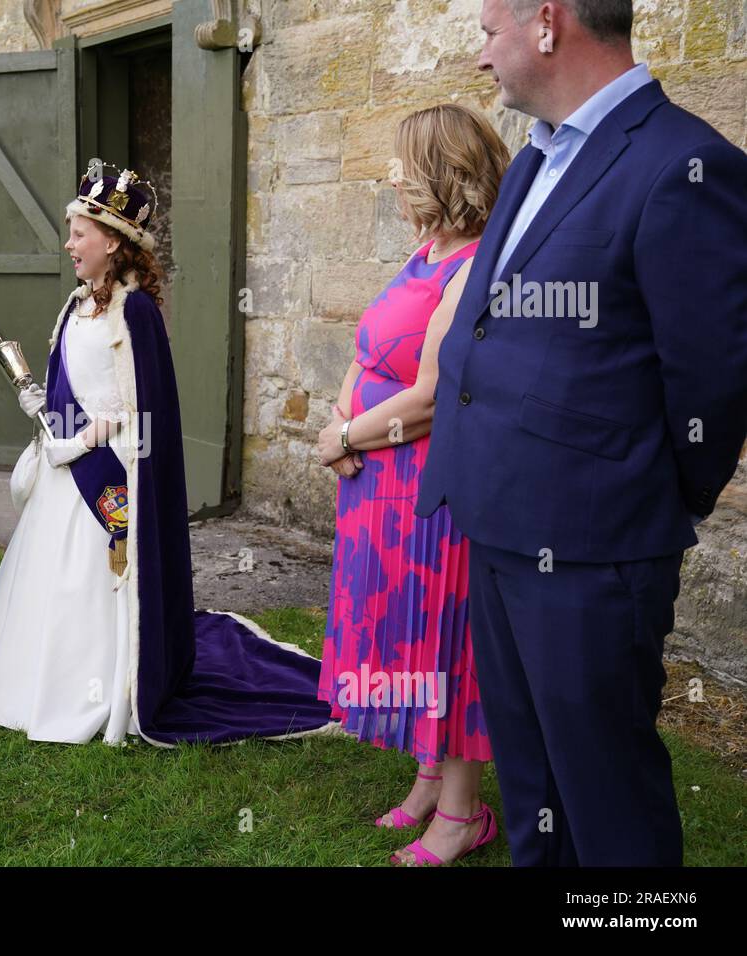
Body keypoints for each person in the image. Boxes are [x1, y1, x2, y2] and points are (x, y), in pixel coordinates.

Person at [418, 0, 747, 865]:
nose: (481, 56)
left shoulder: (686, 164)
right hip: (495, 525)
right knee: (535, 792)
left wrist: (646, 502)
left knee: (608, 804)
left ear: (549, 25)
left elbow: (712, 378)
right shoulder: (536, 161)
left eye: (490, 32)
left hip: (596, 548)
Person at [0, 164, 333, 745]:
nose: (69, 243)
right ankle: (36, 685)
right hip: (66, 484)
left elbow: (149, 415)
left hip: (110, 482)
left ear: (112, 241)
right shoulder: (73, 306)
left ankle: (110, 689)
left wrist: (101, 446)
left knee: (95, 595)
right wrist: (63, 437)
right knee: (48, 589)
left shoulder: (135, 314)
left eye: (79, 232)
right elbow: (63, 391)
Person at [316, 104, 509, 866]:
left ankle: (463, 814)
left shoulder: (476, 268)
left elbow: (433, 396)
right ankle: (428, 775)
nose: (393, 179)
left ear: (445, 172)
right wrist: (337, 417)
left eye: (404, 165)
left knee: (444, 640)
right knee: (403, 635)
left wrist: (348, 435)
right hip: (375, 486)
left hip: (429, 493)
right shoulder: (426, 250)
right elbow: (368, 351)